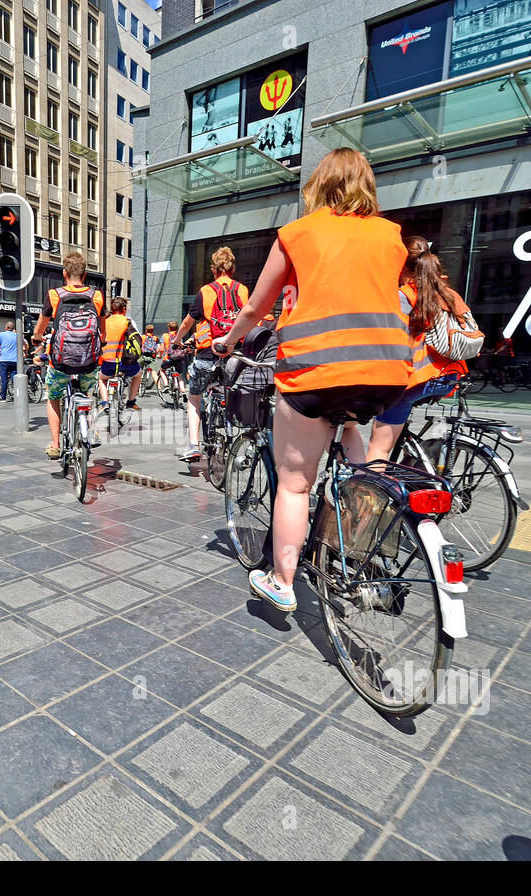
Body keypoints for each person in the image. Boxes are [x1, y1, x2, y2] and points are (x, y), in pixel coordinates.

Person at [210, 147, 413, 612]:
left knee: (296, 482)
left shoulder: (297, 234)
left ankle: (283, 580)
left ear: (318, 186)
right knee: (353, 442)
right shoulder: (392, 236)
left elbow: (254, 308)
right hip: (384, 374)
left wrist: (227, 342)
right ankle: (361, 549)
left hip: (315, 373)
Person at [367, 236, 474, 462]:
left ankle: (370, 493)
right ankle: (414, 465)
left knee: (379, 449)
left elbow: (379, 340)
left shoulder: (405, 295)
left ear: (402, 268)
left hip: (418, 380)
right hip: (450, 377)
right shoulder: (449, 294)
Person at [175, 246, 249, 462]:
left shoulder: (206, 291)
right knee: (231, 391)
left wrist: (177, 341)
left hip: (209, 354)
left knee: (194, 397)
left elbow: (188, 323)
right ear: (232, 269)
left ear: (214, 270)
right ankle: (231, 434)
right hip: (236, 356)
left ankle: (193, 446)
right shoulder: (243, 290)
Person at [31, 251, 105, 460]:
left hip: (60, 362)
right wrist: (104, 340)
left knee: (53, 396)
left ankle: (55, 445)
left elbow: (42, 324)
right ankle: (90, 429)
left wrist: (37, 337)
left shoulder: (55, 295)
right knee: (89, 393)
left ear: (64, 273)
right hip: (89, 361)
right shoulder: (97, 295)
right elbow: (103, 325)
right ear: (85, 274)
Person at [98, 297, 142, 412]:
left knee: (102, 379)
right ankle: (131, 402)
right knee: (138, 375)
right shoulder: (129, 322)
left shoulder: (105, 322)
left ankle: (105, 402)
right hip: (126, 361)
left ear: (112, 309)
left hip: (108, 362)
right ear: (124, 309)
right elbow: (138, 339)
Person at [0, 321, 21, 401]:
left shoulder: (1, 334)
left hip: (4, 359)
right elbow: (25, 346)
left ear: (6, 328)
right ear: (13, 328)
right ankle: (17, 394)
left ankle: (3, 397)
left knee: (4, 379)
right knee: (14, 378)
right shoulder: (17, 335)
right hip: (15, 360)